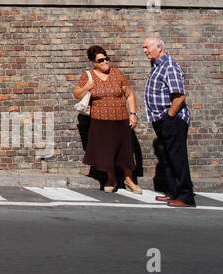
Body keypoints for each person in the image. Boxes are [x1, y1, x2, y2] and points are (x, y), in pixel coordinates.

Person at [72, 45, 141, 194]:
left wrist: (133, 114)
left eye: (106, 59)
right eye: (101, 60)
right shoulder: (88, 76)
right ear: (94, 63)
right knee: (106, 153)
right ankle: (112, 179)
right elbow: (77, 94)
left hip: (121, 119)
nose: (105, 62)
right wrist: (87, 87)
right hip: (100, 121)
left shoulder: (117, 74)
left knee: (126, 152)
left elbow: (129, 95)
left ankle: (129, 180)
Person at [143, 36, 195, 208]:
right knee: (168, 157)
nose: (145, 51)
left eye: (147, 47)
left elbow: (179, 96)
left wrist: (169, 116)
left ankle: (186, 196)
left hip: (172, 120)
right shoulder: (158, 66)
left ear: (159, 47)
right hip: (162, 119)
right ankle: (173, 192)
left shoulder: (170, 66)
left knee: (177, 157)